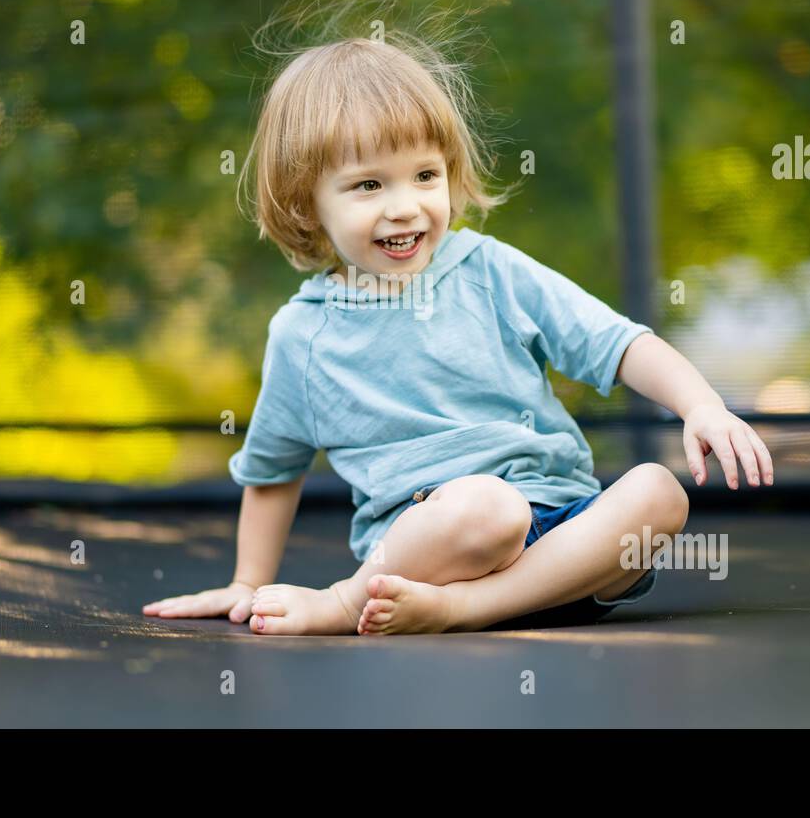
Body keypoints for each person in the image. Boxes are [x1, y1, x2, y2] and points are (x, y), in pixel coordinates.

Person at [143, 33, 774, 635]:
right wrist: (247, 582)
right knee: (488, 508)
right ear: (306, 204)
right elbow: (272, 471)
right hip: (430, 547)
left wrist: (701, 406)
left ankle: (466, 609)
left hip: (566, 543)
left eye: (425, 175)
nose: (405, 206)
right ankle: (351, 599)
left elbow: (617, 342)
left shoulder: (490, 270)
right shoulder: (303, 336)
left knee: (659, 494)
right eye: (369, 185)